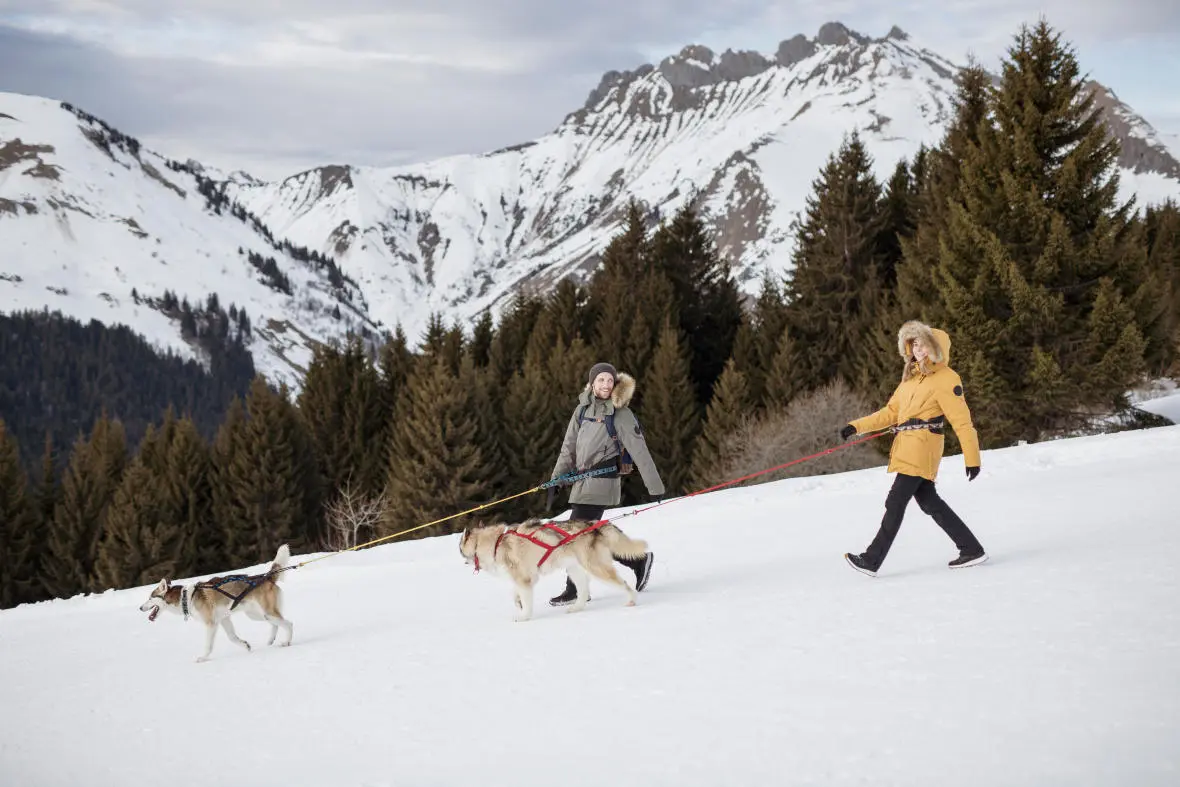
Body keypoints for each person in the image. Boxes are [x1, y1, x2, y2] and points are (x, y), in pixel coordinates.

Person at [840, 320, 987, 576]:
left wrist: (972, 458)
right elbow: (891, 412)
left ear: (936, 348)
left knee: (895, 501)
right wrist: (856, 426)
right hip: (907, 446)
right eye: (915, 344)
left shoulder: (946, 378)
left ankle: (871, 560)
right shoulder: (910, 379)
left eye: (924, 344)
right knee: (930, 503)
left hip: (923, 447)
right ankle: (972, 549)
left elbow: (962, 422)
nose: (919, 349)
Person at [547, 362, 665, 606]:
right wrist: (556, 479)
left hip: (602, 481)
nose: (605, 385)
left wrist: (655, 487)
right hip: (582, 482)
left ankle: (577, 590)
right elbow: (568, 447)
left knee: (577, 535)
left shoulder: (620, 413)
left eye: (610, 381)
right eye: (600, 380)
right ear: (592, 383)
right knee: (591, 536)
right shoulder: (582, 410)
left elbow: (639, 450)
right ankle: (638, 560)